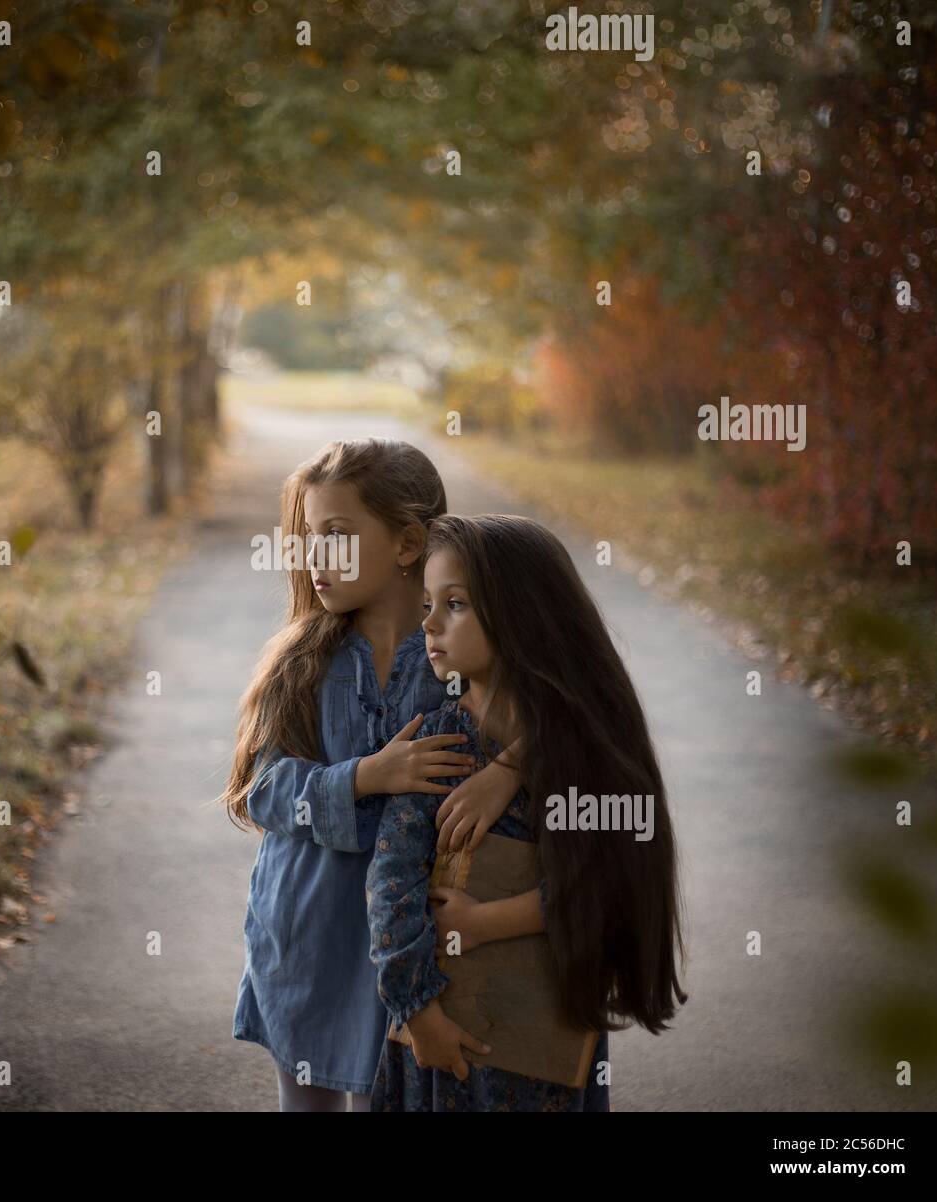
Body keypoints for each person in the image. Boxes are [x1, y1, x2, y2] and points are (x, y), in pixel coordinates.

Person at [221, 440, 523, 1112]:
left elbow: (559, 716)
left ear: (408, 543)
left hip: (413, 946)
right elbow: (260, 791)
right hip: (306, 932)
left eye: (337, 535)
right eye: (308, 537)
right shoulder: (301, 661)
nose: (314, 557)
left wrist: (507, 770)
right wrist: (363, 777)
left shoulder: (458, 650)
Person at [367, 513, 689, 1111]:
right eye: (428, 605)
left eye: (455, 603)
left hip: (544, 1043)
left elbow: (609, 882)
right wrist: (419, 1011)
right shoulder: (437, 746)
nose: (430, 623)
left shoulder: (583, 757)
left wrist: (484, 922)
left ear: (522, 616)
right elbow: (391, 887)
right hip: (442, 1040)